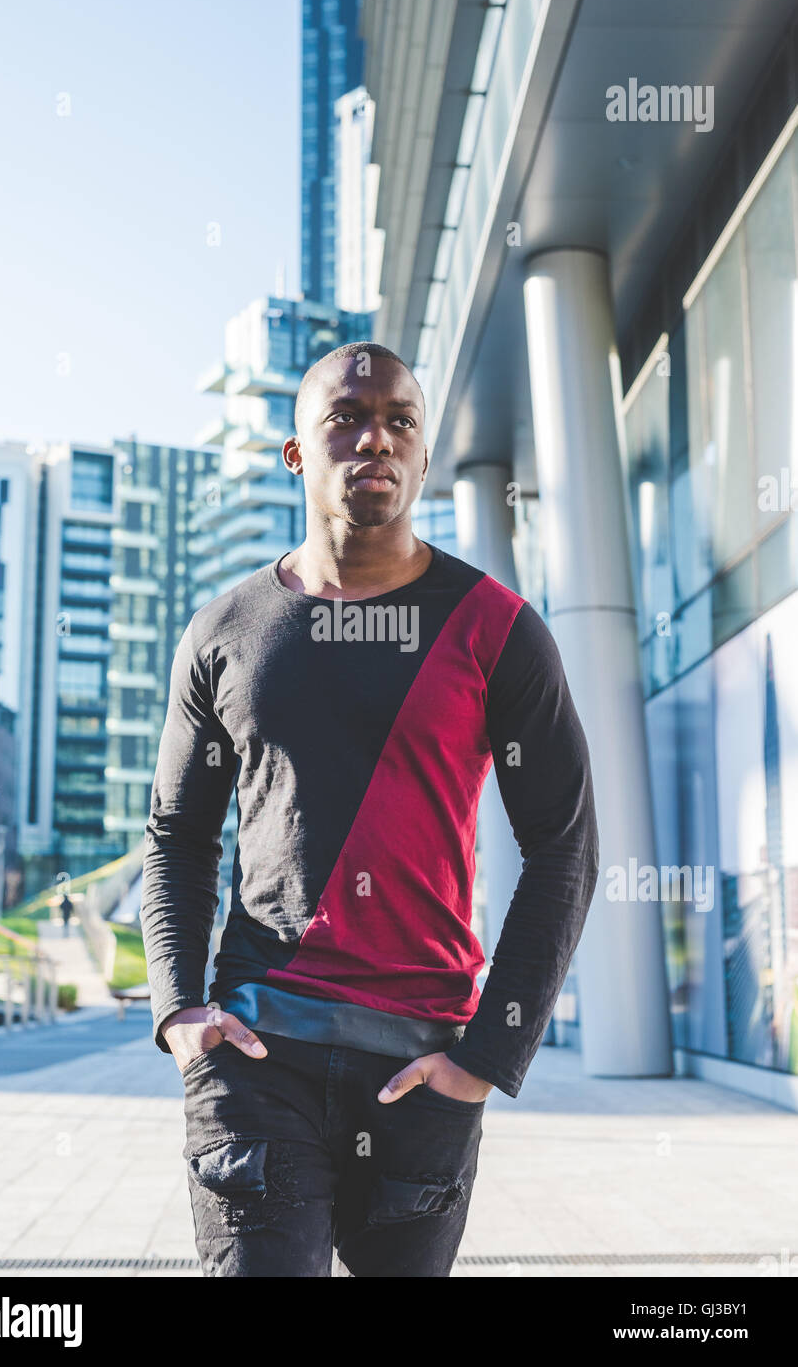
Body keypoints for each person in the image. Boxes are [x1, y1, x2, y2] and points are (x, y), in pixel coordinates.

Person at [141, 341, 599, 1278]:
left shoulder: (498, 629)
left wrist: (487, 1056)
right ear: (297, 453)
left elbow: (565, 849)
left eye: (399, 421)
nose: (373, 441)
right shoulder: (224, 631)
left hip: (423, 1064)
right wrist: (180, 1011)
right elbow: (177, 839)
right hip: (258, 1053)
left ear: (424, 456)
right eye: (344, 420)